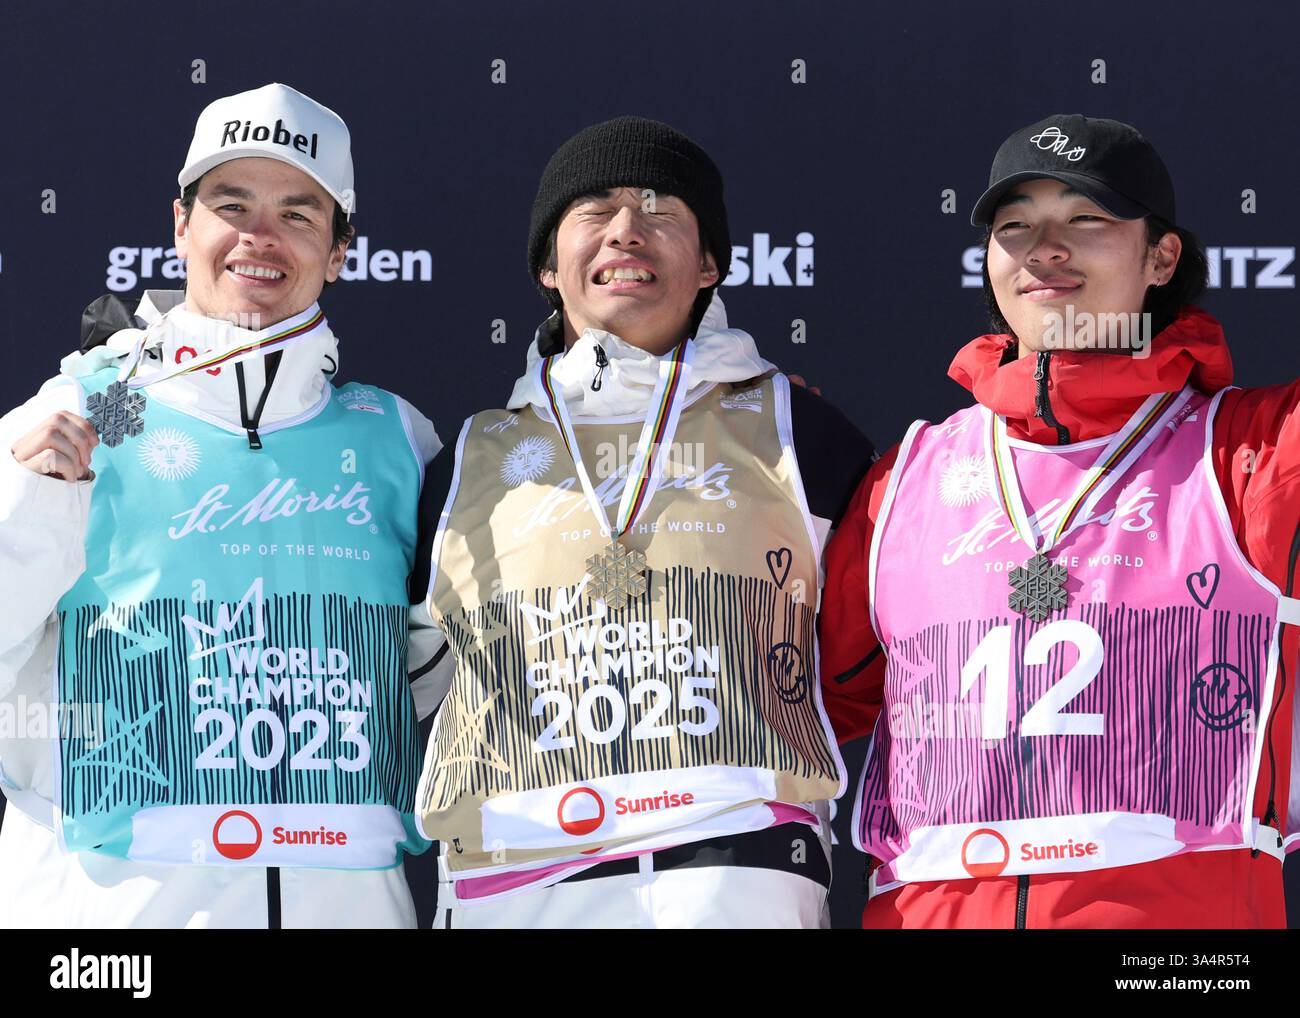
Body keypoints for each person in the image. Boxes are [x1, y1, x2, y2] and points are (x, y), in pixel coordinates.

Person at [821, 114, 1300, 928]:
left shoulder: (1257, 452)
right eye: (1016, 227)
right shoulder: (904, 482)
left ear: (1161, 257)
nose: (1045, 248)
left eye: (1087, 220)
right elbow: (792, 707)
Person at [412, 116, 875, 928]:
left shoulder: (804, 431)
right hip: (515, 878)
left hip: (737, 870)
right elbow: (411, 679)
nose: (627, 228)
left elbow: (871, 658)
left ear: (708, 265)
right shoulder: (471, 456)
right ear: (548, 266)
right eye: (594, 210)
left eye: (661, 209)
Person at [0, 83, 444, 928]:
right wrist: (28, 506)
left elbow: (442, 685)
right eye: (230, 204)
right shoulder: (76, 410)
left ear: (341, 250)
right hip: (115, 925)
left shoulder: (398, 439)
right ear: (181, 226)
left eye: (298, 214)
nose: (259, 237)